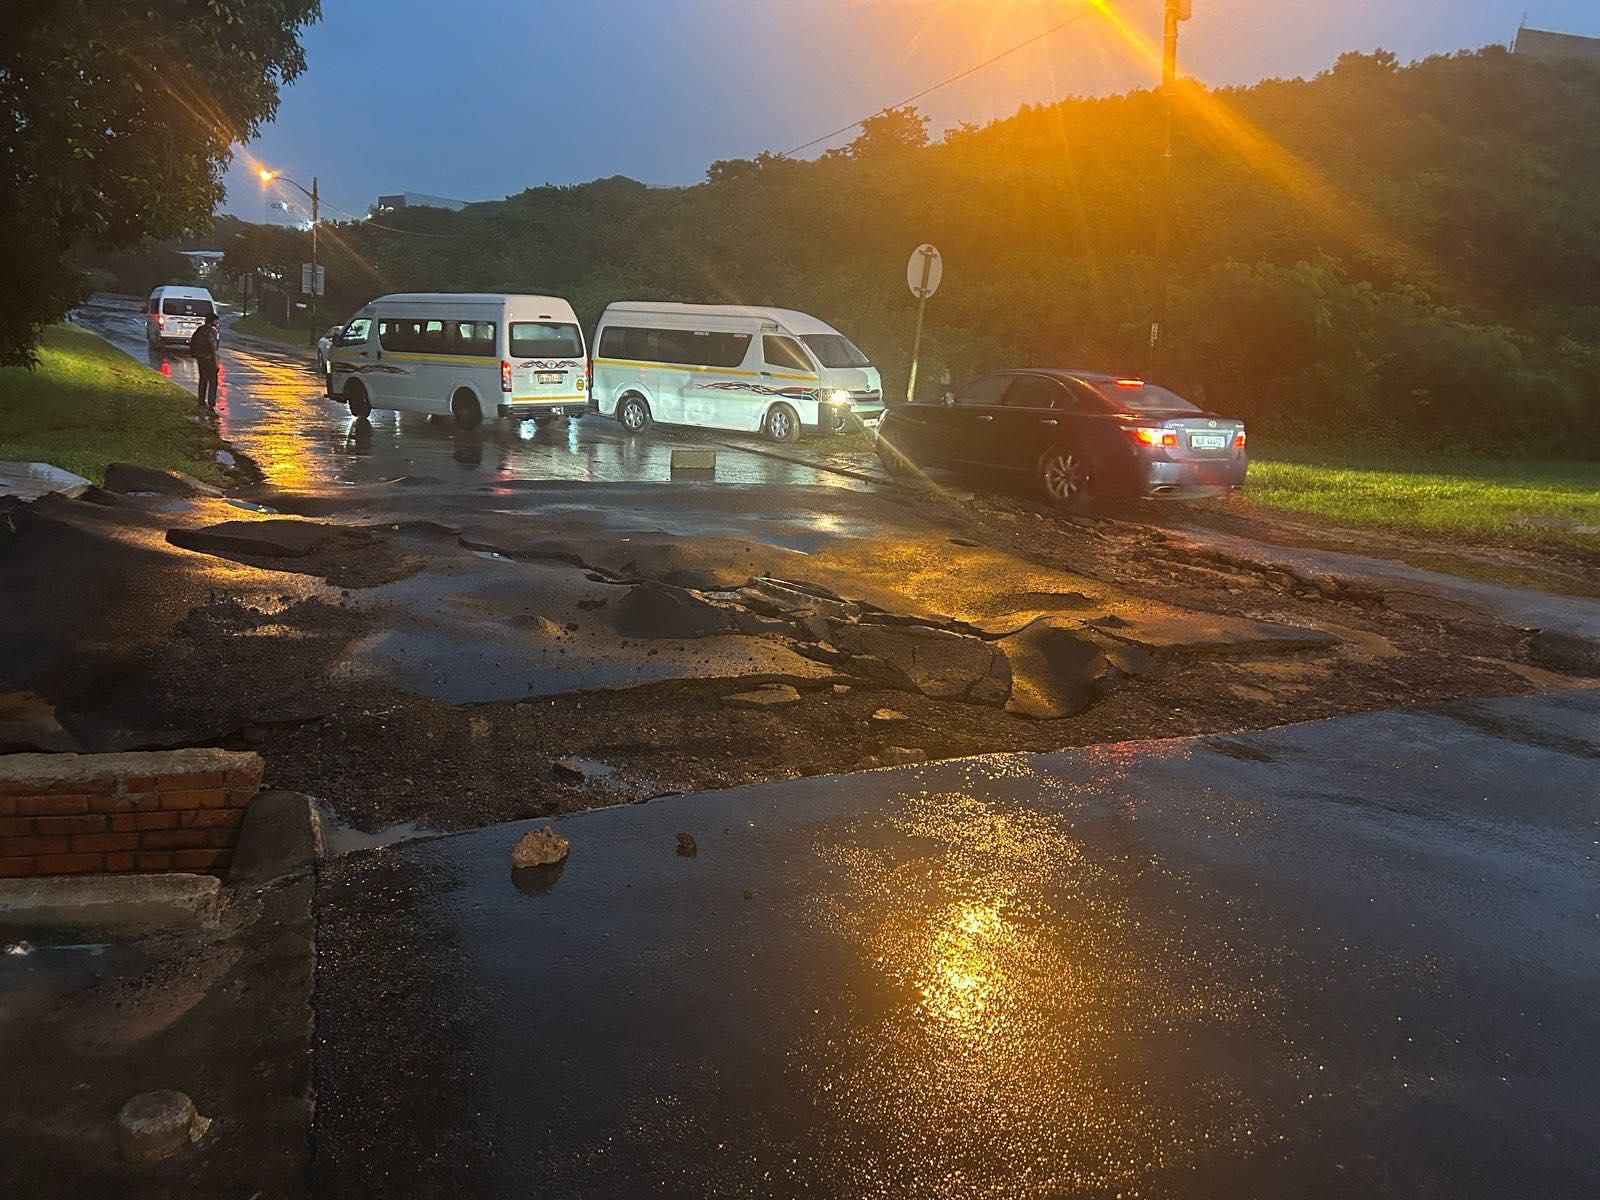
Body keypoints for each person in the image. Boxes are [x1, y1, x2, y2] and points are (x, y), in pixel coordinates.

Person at [189, 314, 221, 410]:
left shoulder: (200, 329)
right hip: (209, 359)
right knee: (213, 381)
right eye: (216, 321)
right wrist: (216, 363)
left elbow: (193, 341)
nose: (217, 323)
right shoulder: (212, 332)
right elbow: (213, 347)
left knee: (203, 380)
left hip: (200, 358)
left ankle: (201, 401)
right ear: (213, 321)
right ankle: (211, 403)